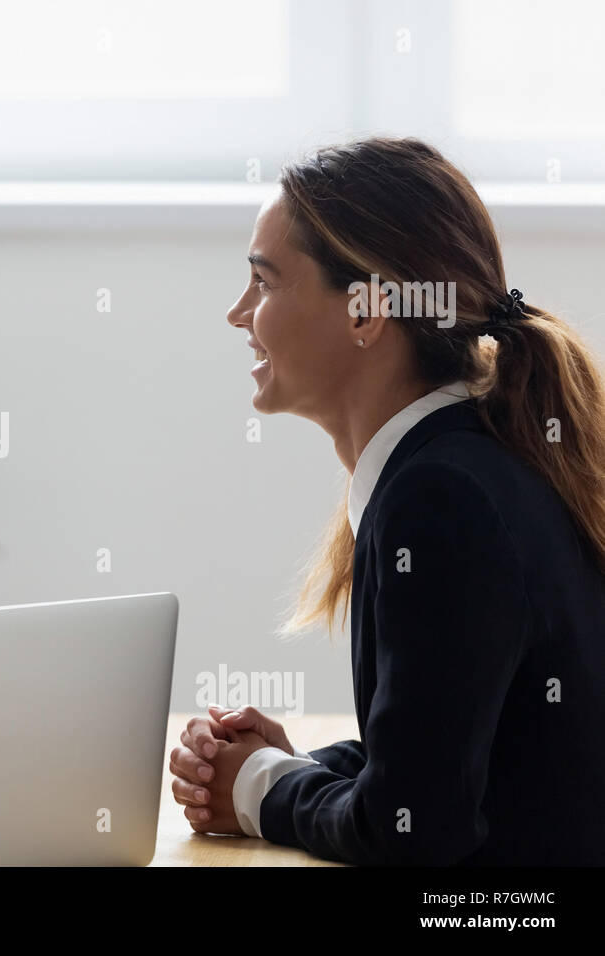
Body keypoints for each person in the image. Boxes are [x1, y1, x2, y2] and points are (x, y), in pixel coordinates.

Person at [169, 136, 605, 866]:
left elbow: (412, 829)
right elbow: (472, 744)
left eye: (265, 283)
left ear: (367, 313)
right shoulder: (481, 462)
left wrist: (262, 790)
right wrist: (298, 769)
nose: (238, 313)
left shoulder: (438, 501)